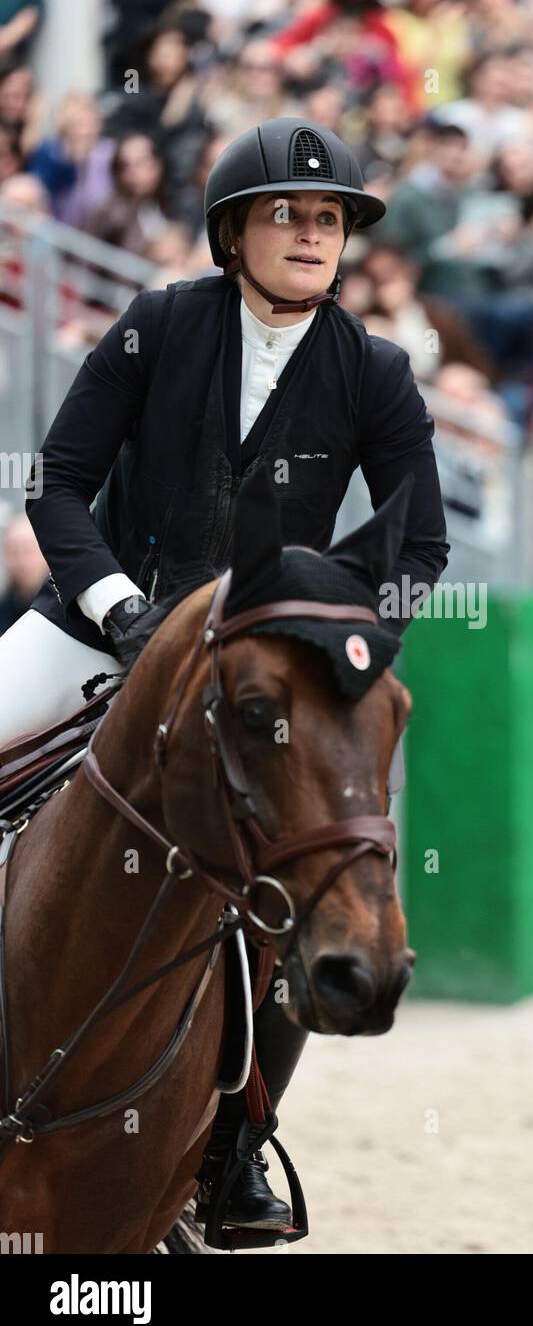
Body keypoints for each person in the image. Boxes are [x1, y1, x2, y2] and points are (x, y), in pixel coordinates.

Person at [0, 116, 449, 1232]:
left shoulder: (375, 369)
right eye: (286, 214)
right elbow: (57, 482)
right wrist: (118, 609)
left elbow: (421, 545)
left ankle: (233, 1149)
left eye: (329, 218)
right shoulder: (159, 325)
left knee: (299, 878)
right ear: (232, 232)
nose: (310, 233)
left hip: (260, 659)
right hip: (98, 626)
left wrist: (345, 636)